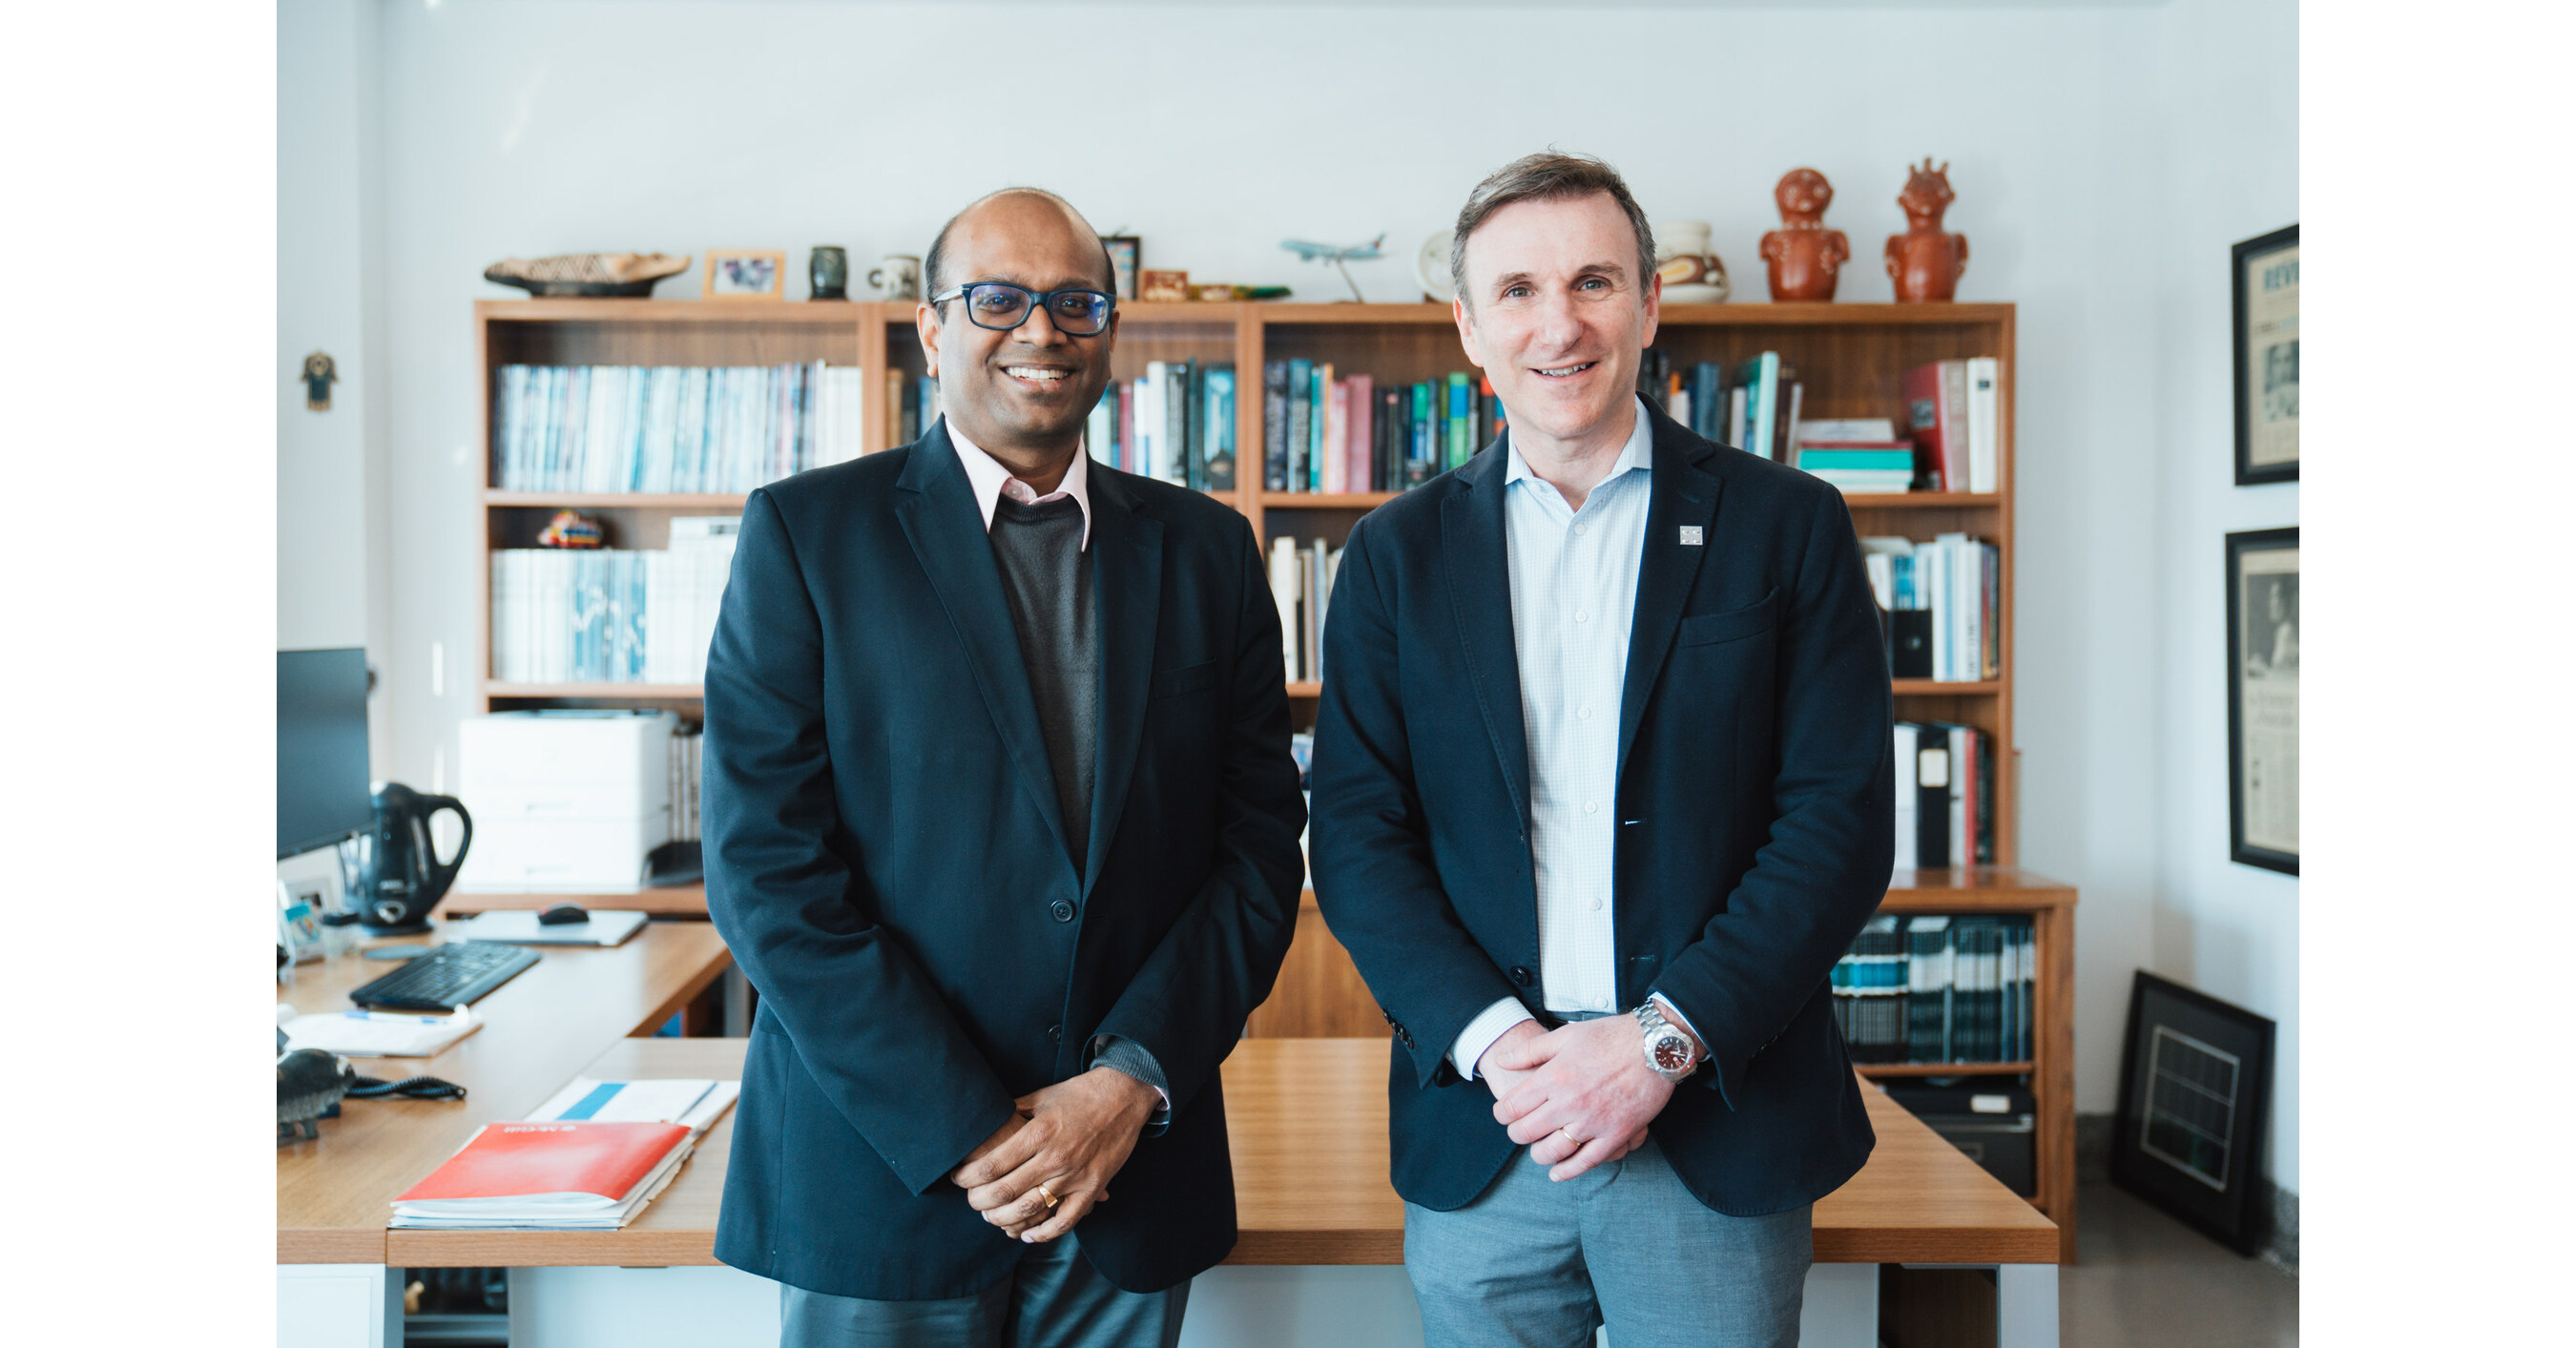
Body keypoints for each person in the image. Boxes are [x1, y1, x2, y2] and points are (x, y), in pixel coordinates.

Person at [1309, 152, 1895, 1348]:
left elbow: (1838, 823)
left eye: (1592, 281)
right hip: (1492, 1128)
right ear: (1469, 328)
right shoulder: (1392, 556)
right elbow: (1360, 839)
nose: (1558, 323)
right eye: (1517, 291)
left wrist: (1659, 1045)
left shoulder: (1788, 526)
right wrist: (1508, 1051)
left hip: (1714, 1121)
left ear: (1649, 303)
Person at [703, 186, 1306, 1348]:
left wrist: (1129, 1081)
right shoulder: (807, 536)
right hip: (889, 1174)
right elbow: (765, 872)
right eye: (998, 299)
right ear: (931, 327)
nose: (1043, 330)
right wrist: (971, 1132)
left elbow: (1257, 854)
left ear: (1112, 327)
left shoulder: (1208, 553)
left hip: (1133, 1165)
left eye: (1078, 302)